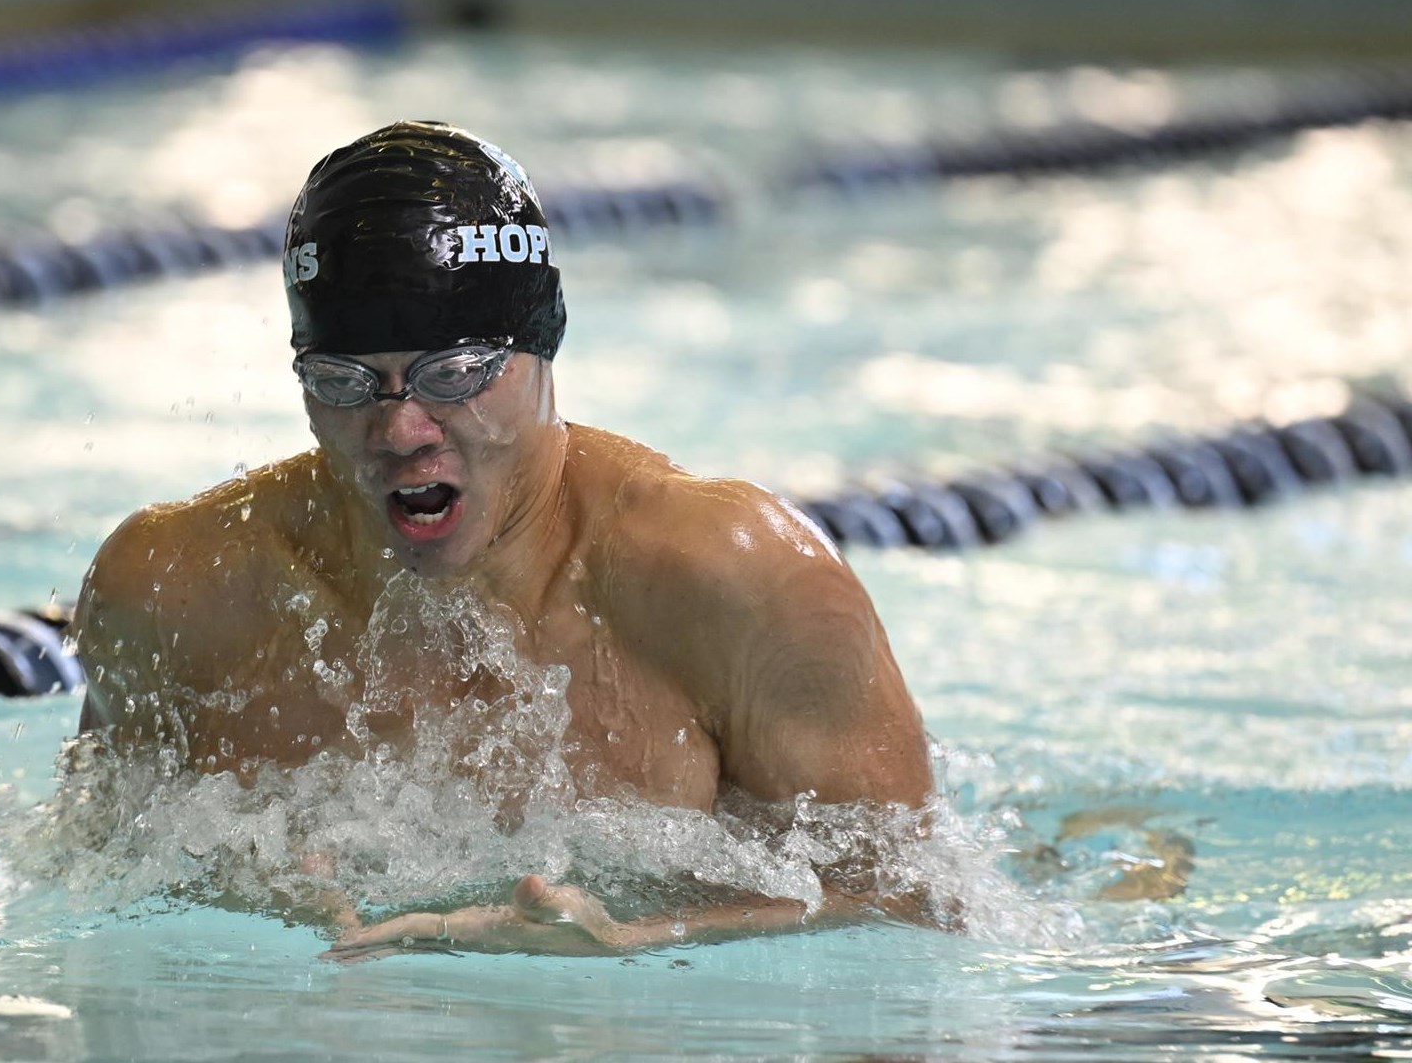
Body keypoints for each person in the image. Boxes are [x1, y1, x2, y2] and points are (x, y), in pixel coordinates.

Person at [73, 120, 933, 960]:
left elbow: (915, 903)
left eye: (454, 375)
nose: (400, 430)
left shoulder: (738, 580)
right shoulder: (172, 590)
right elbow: (81, 879)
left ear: (541, 348)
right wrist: (235, 897)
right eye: (345, 382)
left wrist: (632, 943)